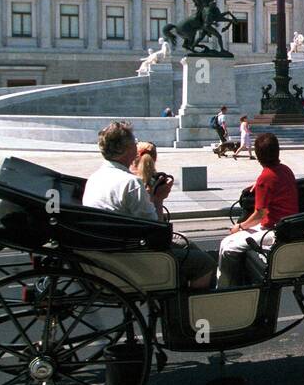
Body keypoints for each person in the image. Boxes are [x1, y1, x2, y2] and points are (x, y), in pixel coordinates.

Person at [82, 122, 214, 289]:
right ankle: (186, 307)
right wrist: (158, 200)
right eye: (134, 142)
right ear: (126, 148)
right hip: (130, 254)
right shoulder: (130, 182)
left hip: (107, 247)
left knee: (189, 246)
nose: (136, 146)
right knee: (205, 263)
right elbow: (157, 233)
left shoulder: (95, 177)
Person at [217, 132, 299, 288]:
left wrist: (239, 227)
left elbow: (259, 214)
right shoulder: (285, 169)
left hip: (274, 230)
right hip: (284, 224)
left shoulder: (265, 178)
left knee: (227, 246)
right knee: (230, 242)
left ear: (258, 155)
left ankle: (224, 287)